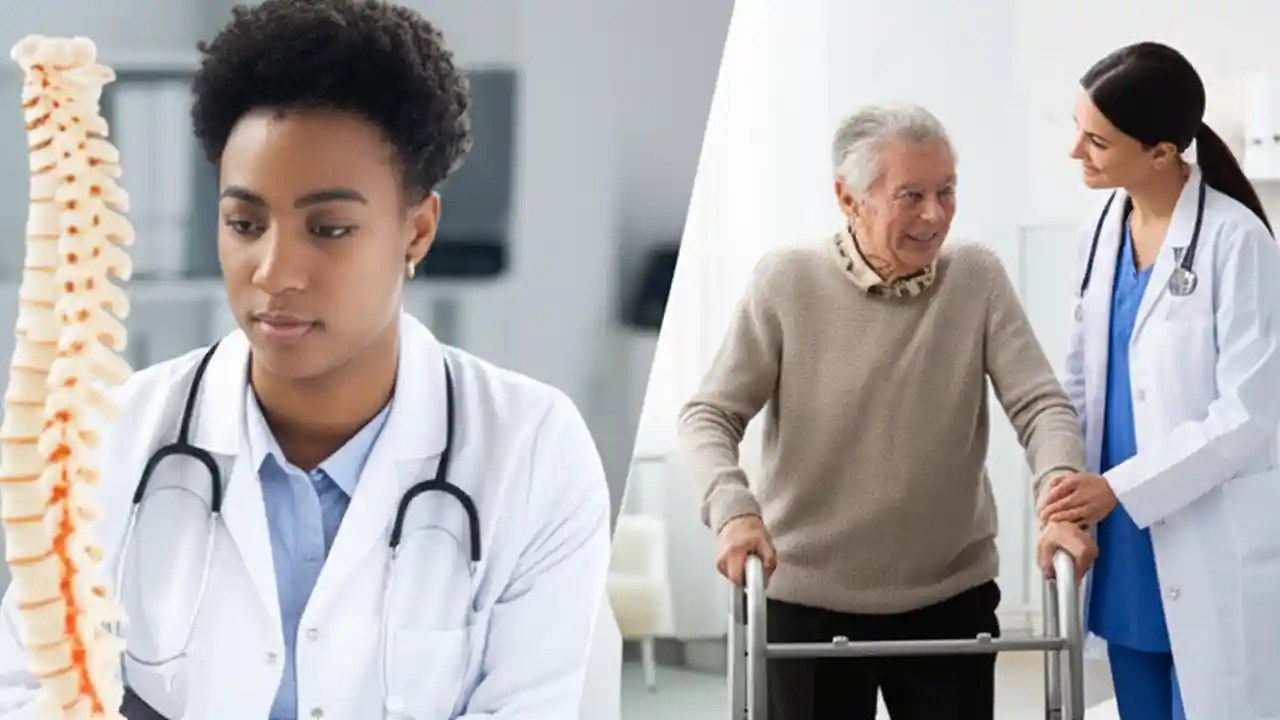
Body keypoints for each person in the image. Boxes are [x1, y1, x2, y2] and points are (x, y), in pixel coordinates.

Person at [0, 2, 612, 718]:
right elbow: (28, 683)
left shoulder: (533, 450)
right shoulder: (114, 431)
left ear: (416, 230)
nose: (274, 270)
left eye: (329, 228)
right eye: (244, 224)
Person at [676, 103, 1091, 720]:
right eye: (912, 196)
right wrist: (733, 511)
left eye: (947, 191)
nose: (935, 214)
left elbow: (1039, 405)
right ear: (849, 199)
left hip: (950, 597)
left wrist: (1062, 499)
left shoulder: (974, 276)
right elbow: (707, 415)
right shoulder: (786, 282)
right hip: (807, 601)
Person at [1037, 41, 1280, 720]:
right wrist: (1064, 494)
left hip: (1205, 535)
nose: (1075, 153)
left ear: (1161, 154)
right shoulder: (1099, 231)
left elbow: (1248, 414)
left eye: (1096, 141)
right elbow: (1081, 378)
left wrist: (1115, 487)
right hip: (1124, 546)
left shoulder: (1238, 242)